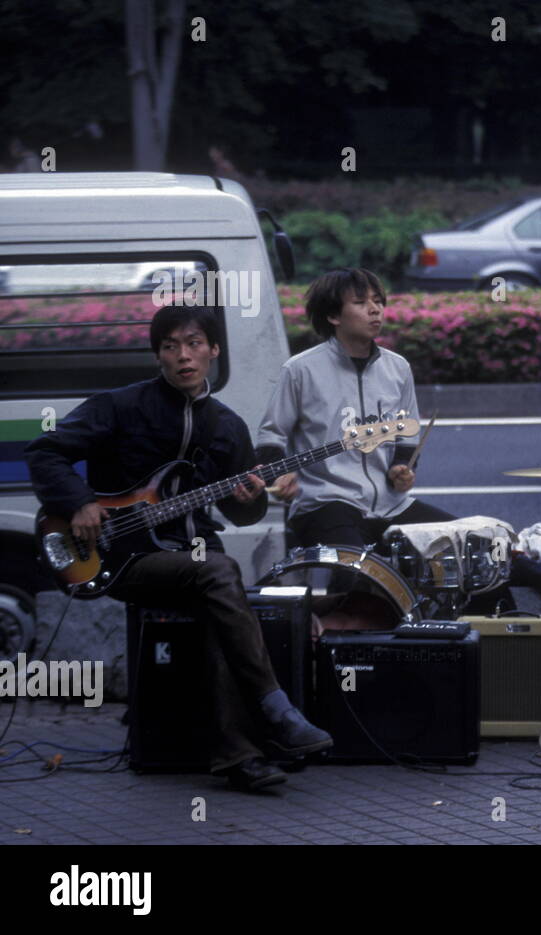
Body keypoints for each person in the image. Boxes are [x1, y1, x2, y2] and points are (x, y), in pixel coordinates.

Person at [26, 305, 333, 792]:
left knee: (220, 595)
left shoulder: (227, 426)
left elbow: (241, 513)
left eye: (193, 344)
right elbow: (43, 452)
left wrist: (250, 498)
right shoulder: (120, 406)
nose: (182, 356)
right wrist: (81, 502)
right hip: (122, 559)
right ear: (158, 355)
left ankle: (238, 758)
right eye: (170, 346)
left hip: (194, 560)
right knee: (220, 572)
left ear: (213, 350)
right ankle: (276, 711)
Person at [256, 268, 453, 549]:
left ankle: (536, 577)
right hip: (324, 504)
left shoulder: (398, 367)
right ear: (333, 316)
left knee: (465, 545)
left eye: (378, 301)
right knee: (359, 574)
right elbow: (270, 438)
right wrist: (278, 477)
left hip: (390, 506)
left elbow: (407, 434)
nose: (375, 310)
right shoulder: (300, 370)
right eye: (361, 303)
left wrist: (400, 468)